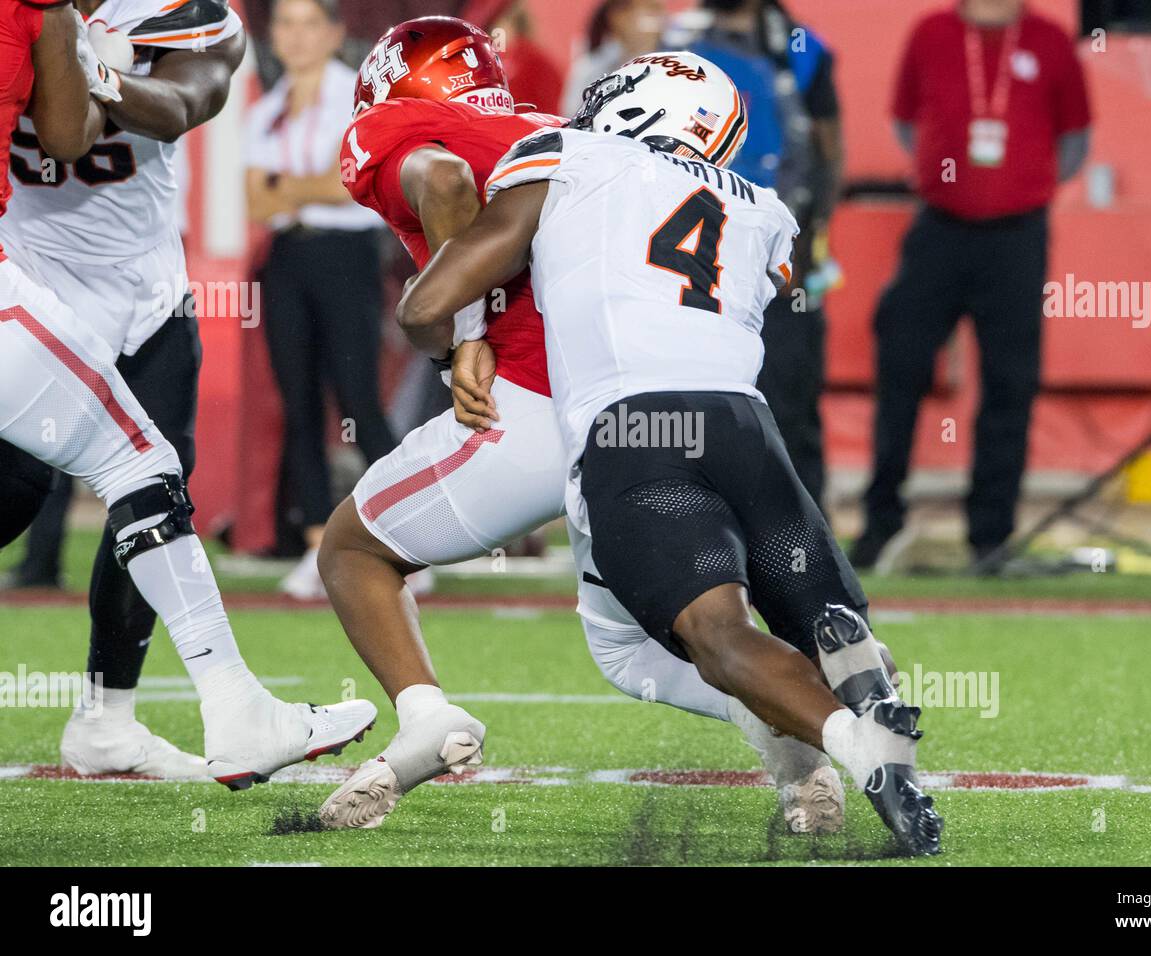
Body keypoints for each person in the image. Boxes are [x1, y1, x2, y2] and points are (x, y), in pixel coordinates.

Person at [386, 52, 945, 855]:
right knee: (817, 616)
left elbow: (426, 304)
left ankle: (858, 748)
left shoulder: (570, 156)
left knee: (715, 637)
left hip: (632, 426)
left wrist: (457, 347)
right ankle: (861, 687)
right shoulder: (763, 206)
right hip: (746, 427)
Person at [314, 18, 847, 835]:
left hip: (532, 403)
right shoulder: (557, 127)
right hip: (644, 402)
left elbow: (449, 179)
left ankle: (426, 716)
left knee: (352, 549)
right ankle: (798, 749)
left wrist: (465, 339)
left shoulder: (397, 127)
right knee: (633, 650)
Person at [0, 0, 376, 789]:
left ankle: (109, 715)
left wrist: (95, 70)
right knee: (16, 497)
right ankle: (229, 712)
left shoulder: (190, 14)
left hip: (145, 287)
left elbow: (179, 106)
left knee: (153, 489)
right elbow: (63, 136)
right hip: (33, 279)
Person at [850, 0, 1091, 571]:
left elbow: (1074, 140)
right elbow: (907, 122)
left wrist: (1019, 187)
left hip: (1018, 236)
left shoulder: (1050, 41)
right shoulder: (932, 33)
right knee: (901, 361)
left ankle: (991, 536)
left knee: (1011, 383)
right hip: (939, 227)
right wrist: (948, 175)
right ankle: (882, 519)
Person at [244, 0, 399, 600]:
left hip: (347, 259)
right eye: (286, 24)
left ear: (334, 33)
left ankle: (406, 536)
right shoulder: (267, 109)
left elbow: (351, 184)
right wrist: (308, 188)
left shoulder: (355, 99)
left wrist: (291, 186)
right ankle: (315, 544)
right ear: (274, 36)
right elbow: (257, 202)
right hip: (287, 258)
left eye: (311, 23)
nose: (298, 36)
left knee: (360, 397)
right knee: (298, 400)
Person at [668, 0, 838, 509]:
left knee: (788, 394)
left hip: (780, 255)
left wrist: (805, 243)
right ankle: (692, 518)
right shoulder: (676, 44)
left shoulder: (803, 48)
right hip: (692, 255)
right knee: (687, 394)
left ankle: (804, 531)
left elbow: (829, 152)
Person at [561, 0, 664, 116]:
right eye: (650, 9)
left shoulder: (671, 61)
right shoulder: (594, 65)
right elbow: (572, 114)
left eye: (657, 9)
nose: (658, 17)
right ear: (618, 16)